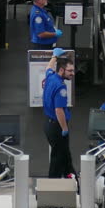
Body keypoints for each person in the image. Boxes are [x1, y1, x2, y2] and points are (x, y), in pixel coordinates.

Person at [43, 48, 75, 178]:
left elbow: (48, 68)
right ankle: (53, 185)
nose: (73, 73)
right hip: (57, 127)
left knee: (65, 156)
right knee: (58, 159)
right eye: (70, 71)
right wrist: (64, 128)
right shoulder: (61, 87)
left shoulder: (51, 77)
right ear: (61, 70)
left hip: (48, 124)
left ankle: (71, 177)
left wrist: (54, 57)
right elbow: (59, 110)